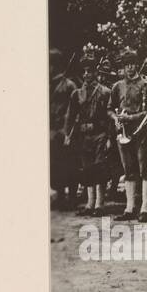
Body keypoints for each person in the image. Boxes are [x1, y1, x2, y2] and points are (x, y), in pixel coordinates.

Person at [108, 48, 147, 221]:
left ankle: (145, 208)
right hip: (123, 133)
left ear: (137, 65)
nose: (129, 68)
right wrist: (116, 118)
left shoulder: (146, 86)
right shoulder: (117, 86)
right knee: (128, 170)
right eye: (126, 65)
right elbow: (109, 108)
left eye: (132, 64)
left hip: (141, 133)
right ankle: (130, 208)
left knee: (145, 169)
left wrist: (131, 117)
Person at [69, 52, 113, 215]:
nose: (87, 74)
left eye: (90, 71)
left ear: (96, 72)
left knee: (99, 168)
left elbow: (109, 118)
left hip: (100, 134)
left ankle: (99, 205)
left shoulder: (105, 92)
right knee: (87, 169)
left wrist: (109, 137)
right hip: (84, 136)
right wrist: (69, 135)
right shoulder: (77, 94)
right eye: (84, 71)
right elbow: (71, 116)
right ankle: (89, 204)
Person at [50, 48, 80, 208]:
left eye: (51, 64)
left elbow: (75, 109)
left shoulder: (69, 85)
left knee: (70, 165)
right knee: (56, 166)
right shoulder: (49, 84)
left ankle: (73, 197)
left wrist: (68, 130)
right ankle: (61, 195)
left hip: (66, 131)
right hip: (52, 132)